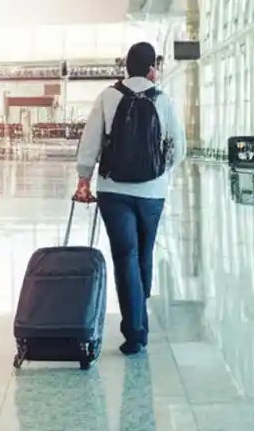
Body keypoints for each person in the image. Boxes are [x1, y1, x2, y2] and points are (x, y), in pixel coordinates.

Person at [74, 42, 186, 356]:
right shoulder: (163, 100)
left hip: (114, 190)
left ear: (126, 67)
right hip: (152, 194)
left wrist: (84, 178)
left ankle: (134, 331)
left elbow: (91, 141)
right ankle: (140, 316)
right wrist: (161, 173)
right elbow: (180, 147)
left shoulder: (108, 97)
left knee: (125, 256)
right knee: (144, 254)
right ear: (153, 68)